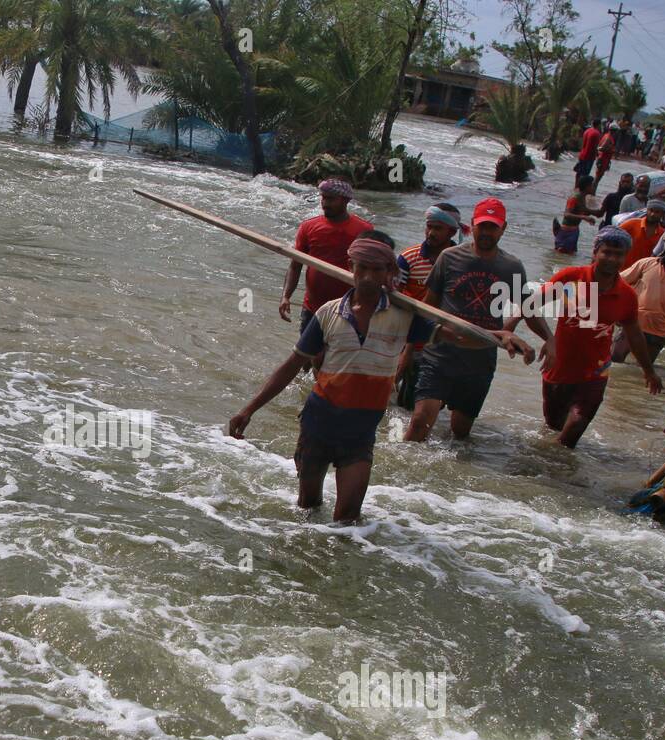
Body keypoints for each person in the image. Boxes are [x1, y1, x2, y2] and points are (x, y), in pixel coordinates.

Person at [228, 232, 532, 520]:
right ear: (351, 268)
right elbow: (292, 365)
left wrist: (497, 336)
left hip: (360, 434)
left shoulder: (404, 317)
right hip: (318, 424)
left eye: (377, 270)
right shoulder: (328, 313)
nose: (369, 278)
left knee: (347, 520)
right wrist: (249, 409)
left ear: (390, 273)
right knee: (308, 508)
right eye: (363, 269)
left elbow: (457, 337)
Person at [404, 198, 541, 442]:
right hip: (440, 355)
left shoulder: (512, 267)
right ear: (472, 225)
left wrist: (549, 341)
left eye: (493, 227)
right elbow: (427, 306)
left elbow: (528, 308)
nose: (487, 232)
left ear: (503, 228)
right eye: (483, 226)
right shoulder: (449, 257)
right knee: (418, 424)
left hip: (480, 360)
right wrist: (410, 349)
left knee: (460, 433)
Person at [539, 227, 662, 448]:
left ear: (626, 257)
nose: (612, 259)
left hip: (596, 371)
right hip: (559, 368)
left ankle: (559, 475)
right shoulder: (570, 278)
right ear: (595, 252)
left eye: (619, 254)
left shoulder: (626, 295)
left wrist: (649, 370)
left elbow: (634, 334)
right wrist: (538, 335)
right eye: (607, 252)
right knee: (553, 427)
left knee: (575, 427)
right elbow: (532, 304)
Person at [279, 178, 372, 332]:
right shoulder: (308, 227)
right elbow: (295, 266)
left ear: (345, 201)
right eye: (323, 198)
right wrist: (285, 296)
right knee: (306, 354)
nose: (324, 203)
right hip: (312, 308)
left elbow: (371, 271)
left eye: (330, 199)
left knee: (336, 355)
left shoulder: (363, 231)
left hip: (347, 309)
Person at [395, 204, 463, 408]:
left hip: (445, 343)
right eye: (429, 227)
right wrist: (404, 348)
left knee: (436, 402)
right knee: (406, 403)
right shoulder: (409, 257)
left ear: (452, 231)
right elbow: (396, 300)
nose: (431, 233)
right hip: (411, 340)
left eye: (438, 228)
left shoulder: (462, 262)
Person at [612, 232, 665, 369]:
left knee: (642, 370)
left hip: (657, 332)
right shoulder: (646, 264)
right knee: (615, 359)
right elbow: (617, 282)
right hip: (632, 325)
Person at [553, 176, 597, 254]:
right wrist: (584, 217)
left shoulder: (582, 197)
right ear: (587, 187)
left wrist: (596, 213)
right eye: (592, 185)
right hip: (566, 232)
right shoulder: (574, 198)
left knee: (567, 256)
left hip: (574, 231)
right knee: (563, 255)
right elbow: (567, 214)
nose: (594, 187)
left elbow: (583, 209)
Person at [619, 199, 665, 268]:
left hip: (643, 272)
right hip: (623, 269)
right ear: (647, 210)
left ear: (662, 214)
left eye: (657, 212)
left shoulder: (664, 234)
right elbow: (614, 236)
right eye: (651, 210)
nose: (652, 214)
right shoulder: (632, 224)